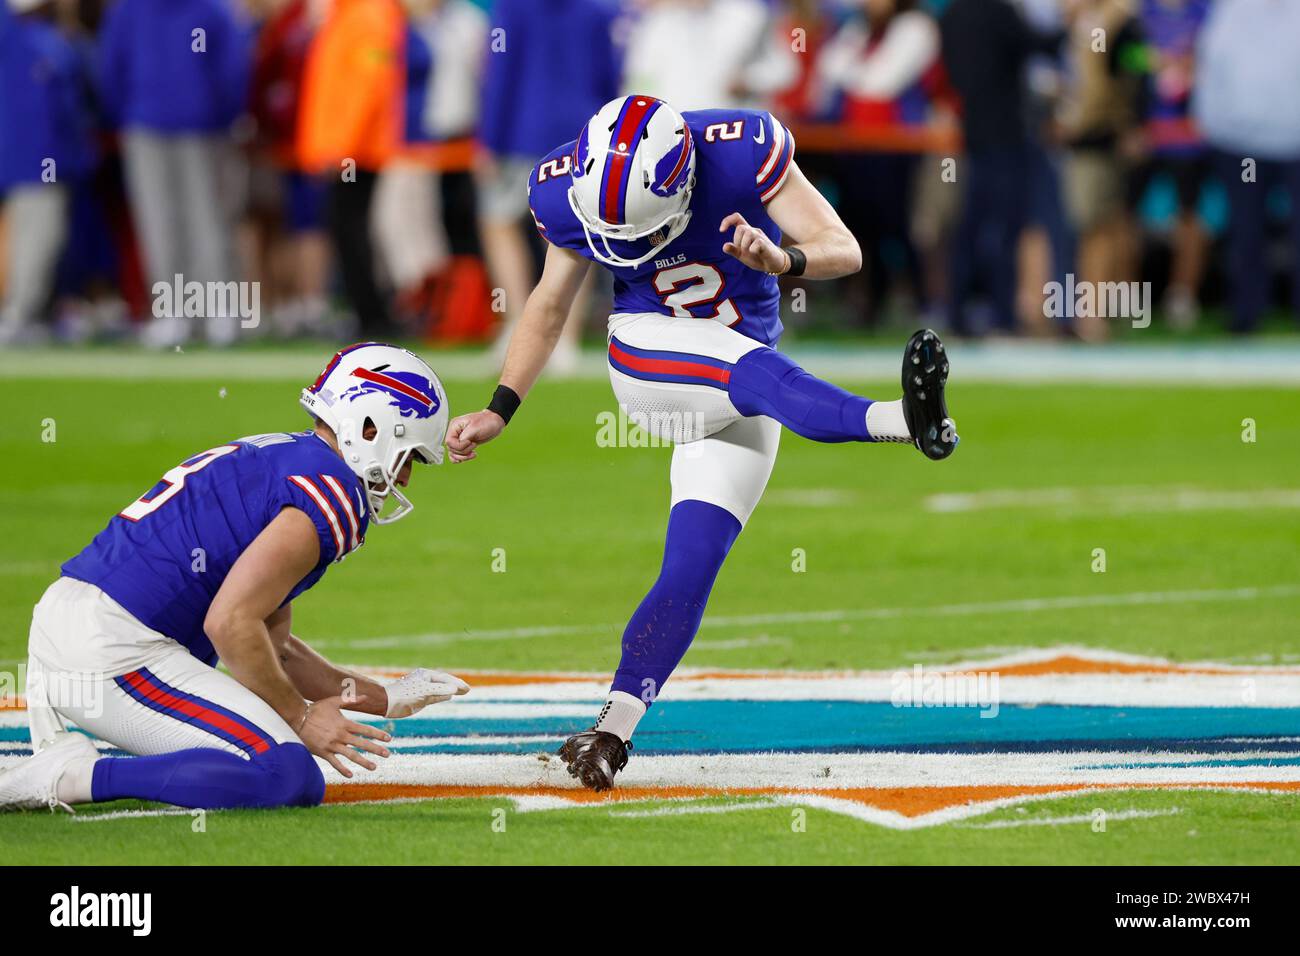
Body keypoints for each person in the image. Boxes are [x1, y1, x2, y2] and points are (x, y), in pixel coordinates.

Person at [444, 95, 958, 791]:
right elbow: (550, 303)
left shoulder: (743, 151)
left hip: (737, 386)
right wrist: (502, 405)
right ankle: (904, 420)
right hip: (650, 361)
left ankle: (608, 734)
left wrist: (783, 256)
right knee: (753, 370)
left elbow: (845, 249)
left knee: (689, 569)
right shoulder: (563, 187)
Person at [0, 344, 469, 812]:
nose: (404, 477)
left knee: (280, 756)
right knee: (285, 775)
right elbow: (229, 624)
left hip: (77, 623)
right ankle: (73, 777)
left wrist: (384, 698)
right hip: (114, 651)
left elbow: (273, 644)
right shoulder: (332, 492)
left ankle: (68, 768)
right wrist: (301, 717)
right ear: (371, 428)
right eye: (407, 455)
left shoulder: (291, 456)